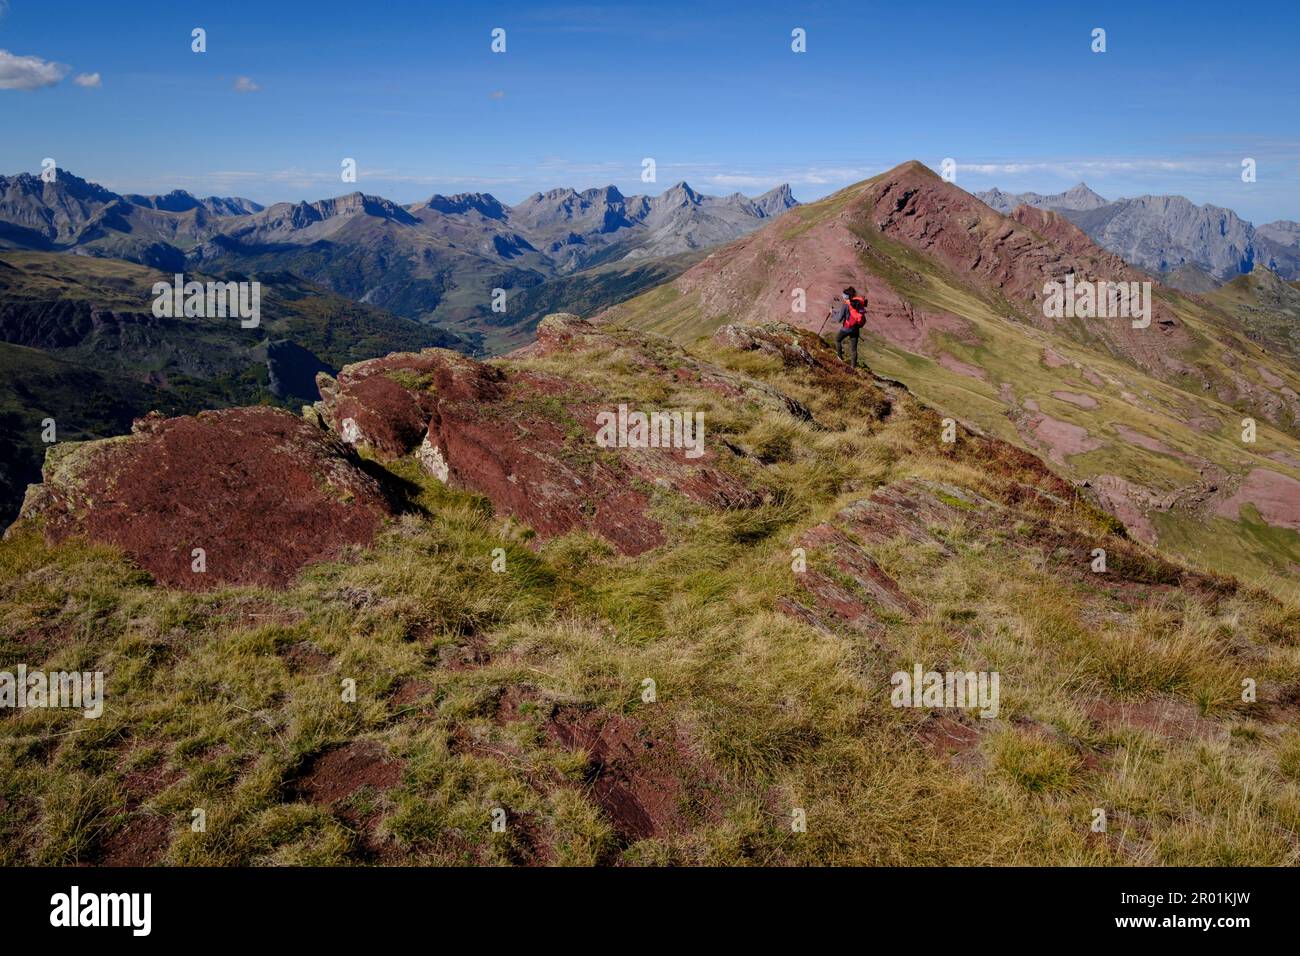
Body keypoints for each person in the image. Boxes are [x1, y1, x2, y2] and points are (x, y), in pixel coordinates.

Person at [832, 286, 868, 369]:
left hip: (847, 328)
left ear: (846, 296)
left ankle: (840, 358)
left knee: (837, 340)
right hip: (855, 329)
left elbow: (839, 319)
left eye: (843, 295)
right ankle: (853, 367)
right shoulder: (857, 303)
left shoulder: (845, 305)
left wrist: (832, 313)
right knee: (854, 349)